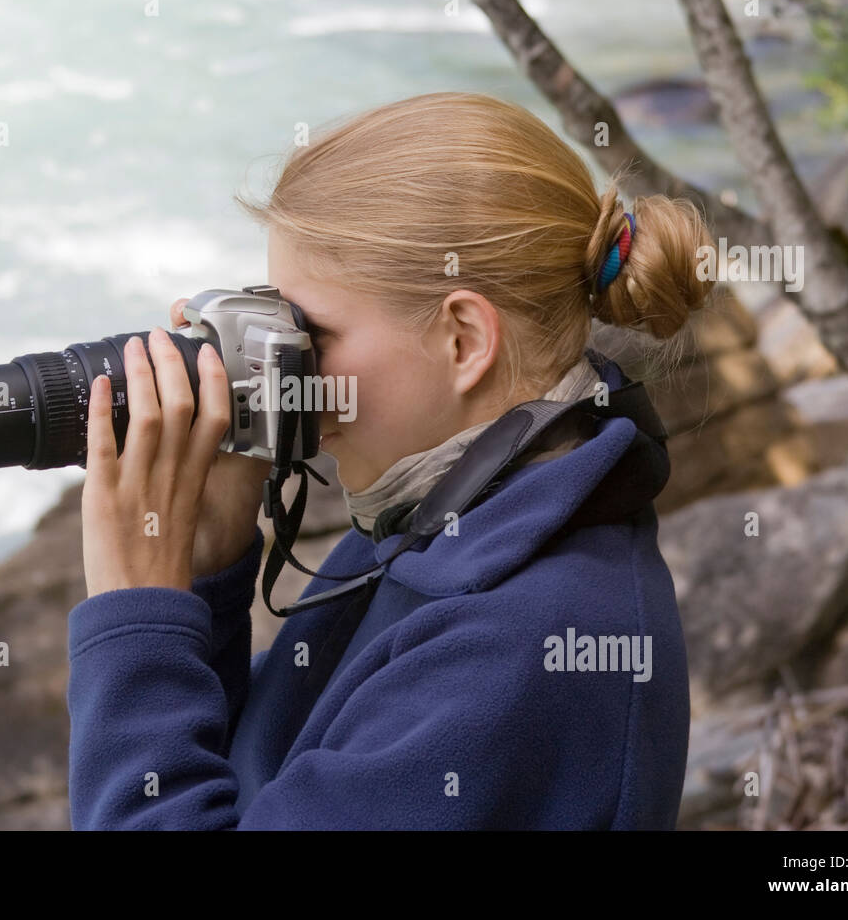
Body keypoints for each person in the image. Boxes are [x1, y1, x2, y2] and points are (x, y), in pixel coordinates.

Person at [67, 91, 715, 829]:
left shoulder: (519, 645)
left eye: (311, 329)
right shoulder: (449, 520)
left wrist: (133, 621)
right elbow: (263, 785)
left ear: (464, 340)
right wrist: (207, 575)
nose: (285, 365)